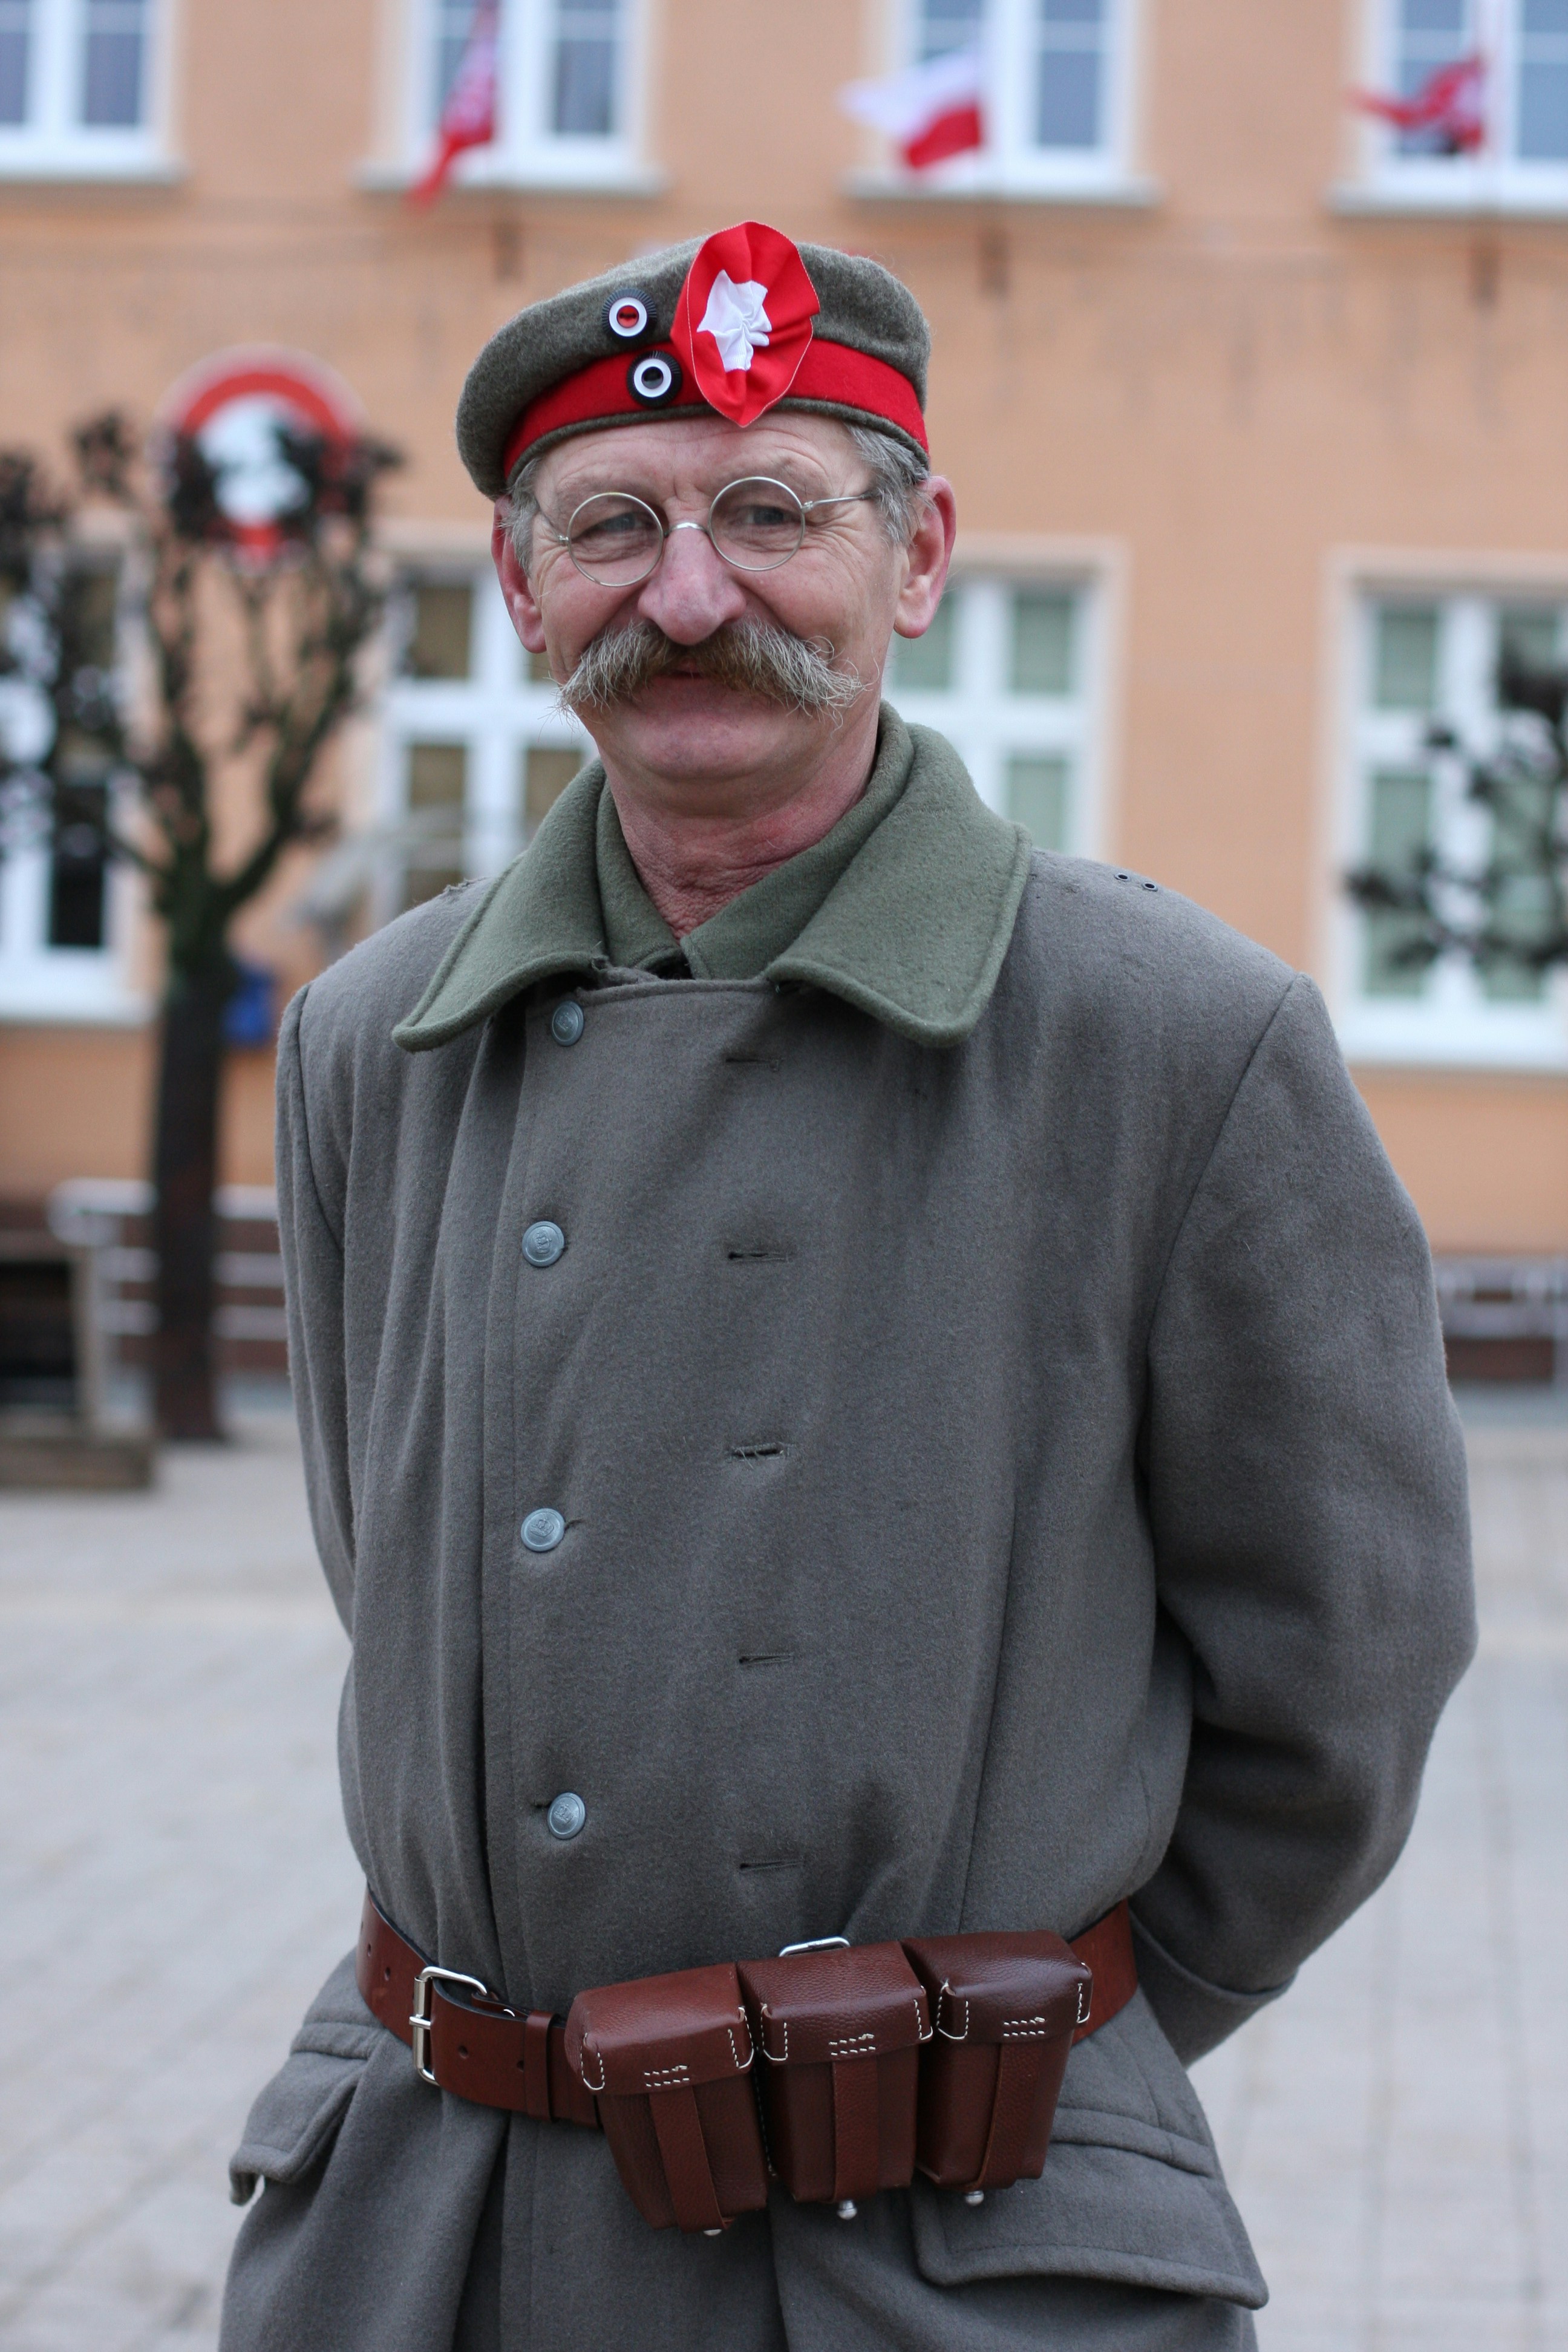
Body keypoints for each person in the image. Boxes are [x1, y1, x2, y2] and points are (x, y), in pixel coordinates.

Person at [220, 221, 1474, 2352]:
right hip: (438, 2245)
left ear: (920, 555)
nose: (689, 596)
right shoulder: (376, 1036)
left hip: (943, 2253)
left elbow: (1341, 1676)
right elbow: (393, 1564)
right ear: (522, 589)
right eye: (614, 524)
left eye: (773, 512)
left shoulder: (1176, 1036)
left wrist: (1017, 2046)